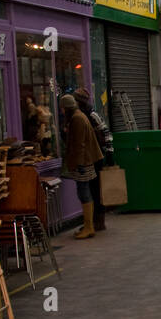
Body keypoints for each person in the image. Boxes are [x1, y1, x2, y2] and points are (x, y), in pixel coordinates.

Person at [61, 94, 103, 239]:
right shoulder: (78, 116)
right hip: (85, 160)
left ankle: (89, 226)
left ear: (66, 108)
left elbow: (79, 144)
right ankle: (88, 225)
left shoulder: (77, 118)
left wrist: (77, 164)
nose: (61, 111)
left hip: (83, 161)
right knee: (84, 191)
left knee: (84, 192)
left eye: (62, 108)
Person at [74, 88, 114, 231]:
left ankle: (98, 221)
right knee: (90, 189)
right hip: (88, 157)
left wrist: (109, 153)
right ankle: (92, 221)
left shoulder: (91, 114)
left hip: (96, 156)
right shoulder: (78, 115)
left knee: (95, 189)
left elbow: (106, 132)